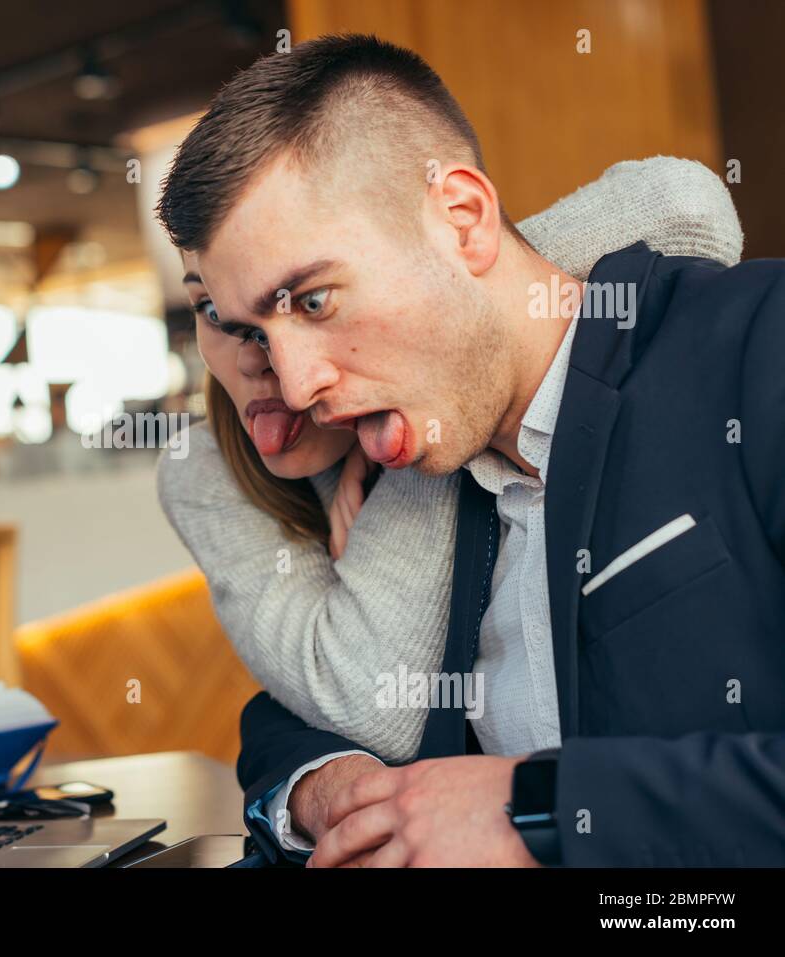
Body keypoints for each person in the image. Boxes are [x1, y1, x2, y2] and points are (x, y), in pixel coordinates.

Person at [156, 33, 785, 867]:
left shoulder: (758, 345)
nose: (295, 384)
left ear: (464, 220)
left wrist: (535, 808)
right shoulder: (420, 461)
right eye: (250, 328)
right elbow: (307, 710)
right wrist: (317, 786)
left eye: (313, 299)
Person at [159, 158, 742, 778]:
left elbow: (687, 202)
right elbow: (372, 703)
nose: (267, 365)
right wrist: (410, 441)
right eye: (216, 315)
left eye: (313, 300)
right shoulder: (204, 470)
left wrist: (456, 316)